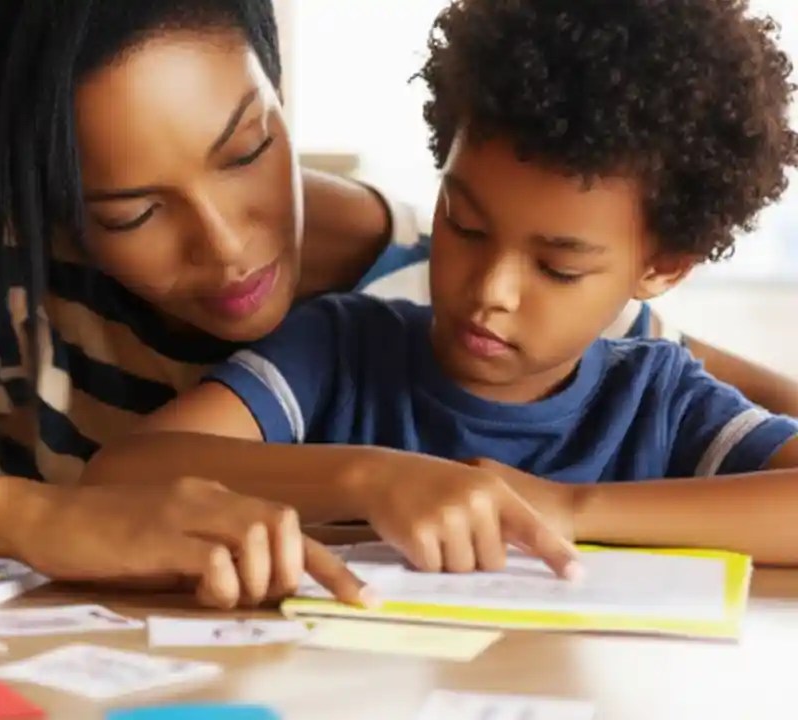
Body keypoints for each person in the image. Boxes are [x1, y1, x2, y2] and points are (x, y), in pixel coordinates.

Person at [0, 0, 796, 609]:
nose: (228, 248)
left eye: (245, 148)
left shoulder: (442, 271)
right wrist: (35, 518)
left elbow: (652, 370)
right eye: (128, 210)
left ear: (279, 89)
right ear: (44, 202)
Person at [84, 0, 798, 579]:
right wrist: (369, 480)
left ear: (663, 268)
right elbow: (123, 472)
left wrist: (573, 507)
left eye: (558, 268)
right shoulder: (337, 351)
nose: (491, 290)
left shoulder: (659, 402)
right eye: (465, 224)